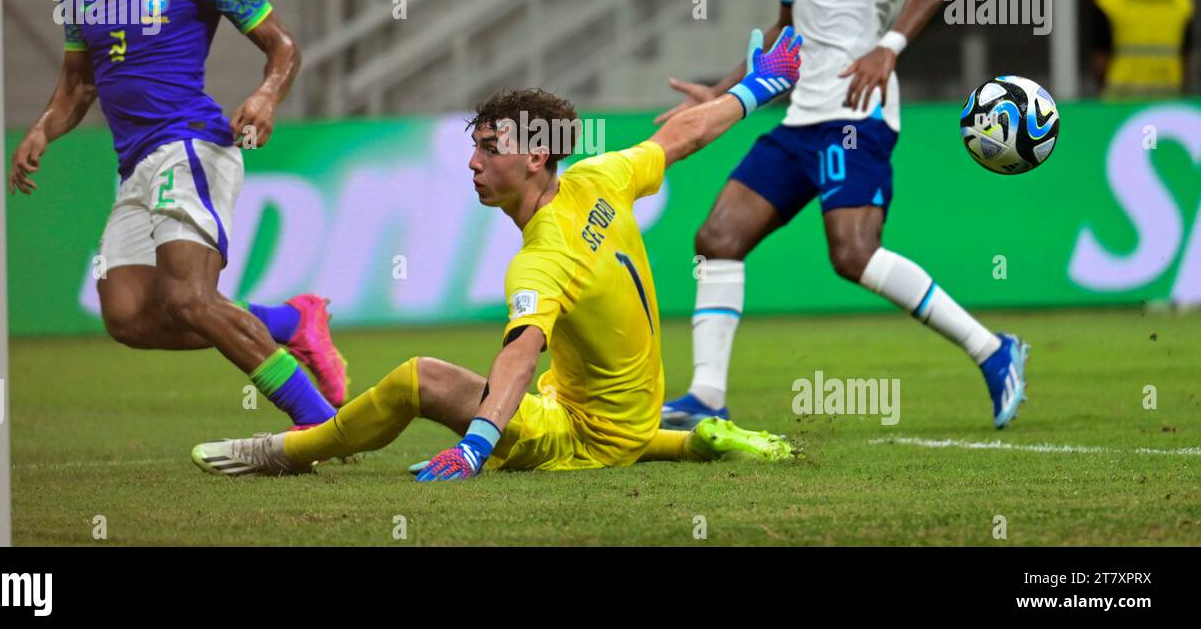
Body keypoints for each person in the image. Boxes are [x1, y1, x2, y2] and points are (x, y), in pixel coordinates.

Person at [191, 28, 805, 477]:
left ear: (535, 156)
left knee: (420, 378)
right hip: (624, 414)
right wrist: (758, 86)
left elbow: (519, 354)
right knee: (547, 393)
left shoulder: (543, 256)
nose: (473, 162)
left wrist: (475, 445)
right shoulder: (602, 175)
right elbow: (680, 135)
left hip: (583, 435)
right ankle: (698, 440)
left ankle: (285, 451)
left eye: (489, 148)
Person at [656, 0, 1028, 432]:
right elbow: (782, 38)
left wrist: (887, 49)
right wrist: (718, 94)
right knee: (717, 238)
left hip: (856, 116)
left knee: (852, 254)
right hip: (802, 119)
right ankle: (707, 397)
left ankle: (993, 350)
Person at [9, 0, 348, 430]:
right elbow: (79, 83)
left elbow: (283, 45)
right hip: (134, 162)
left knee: (188, 298)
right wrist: (43, 129)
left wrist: (268, 95)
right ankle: (293, 321)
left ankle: (319, 423)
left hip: (191, 146)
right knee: (131, 317)